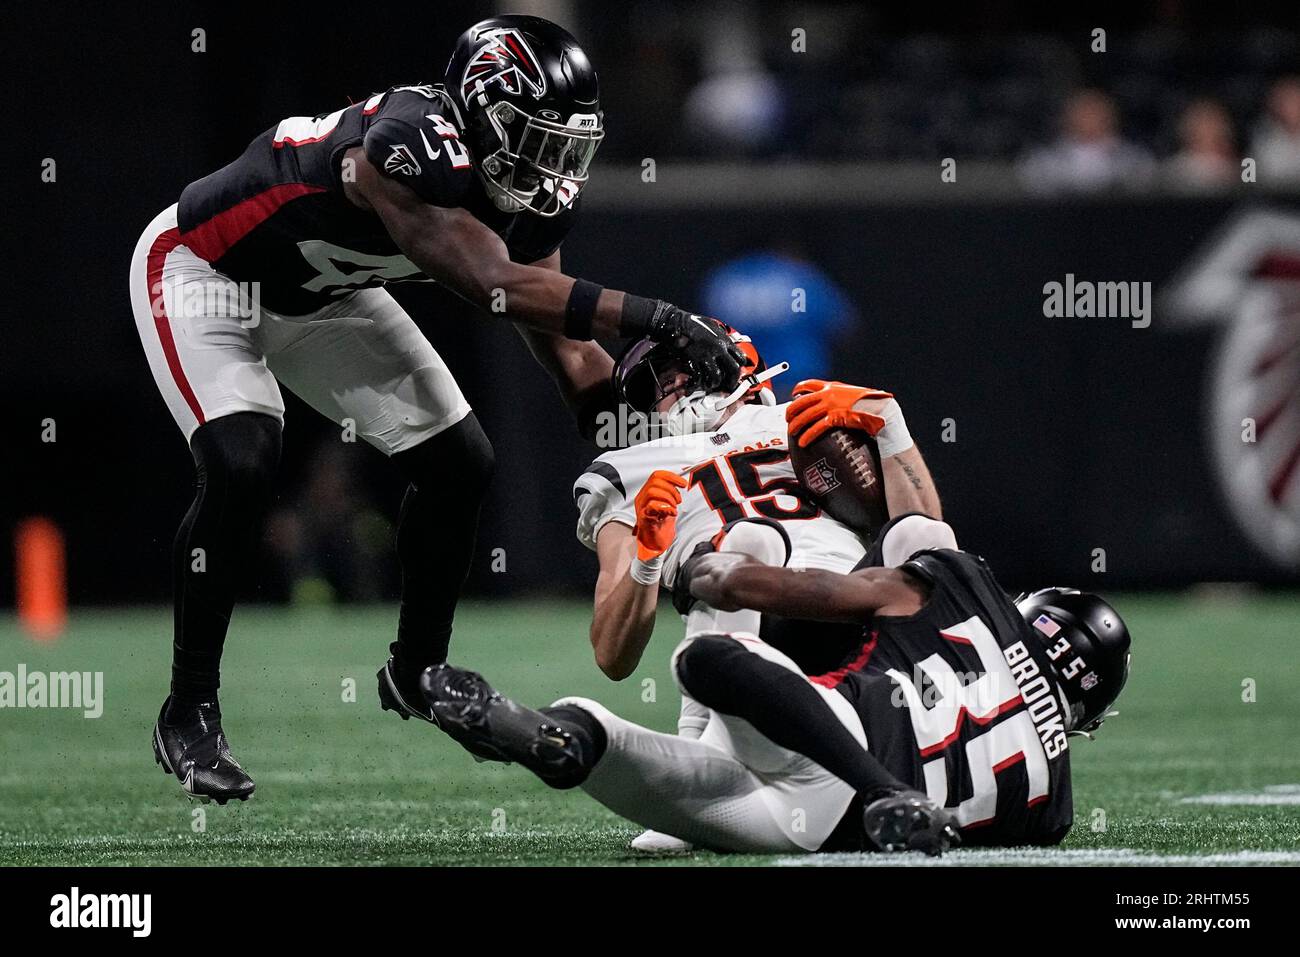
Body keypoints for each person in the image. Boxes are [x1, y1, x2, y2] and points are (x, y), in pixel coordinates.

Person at [132, 14, 745, 804]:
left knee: (461, 463)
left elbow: (560, 342)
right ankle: (188, 706)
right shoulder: (407, 139)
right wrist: (658, 317)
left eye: (568, 141)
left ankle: (418, 670)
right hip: (202, 272)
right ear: (485, 108)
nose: (555, 163)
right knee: (242, 458)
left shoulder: (528, 190)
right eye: (537, 135)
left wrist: (650, 450)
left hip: (325, 295)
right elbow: (492, 285)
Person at [421, 342, 1133, 855]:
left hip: (840, 627)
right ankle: (583, 739)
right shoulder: (626, 473)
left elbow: (920, 541)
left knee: (739, 574)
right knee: (721, 603)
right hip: (825, 671)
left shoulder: (808, 417)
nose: (666, 395)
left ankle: (612, 744)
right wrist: (644, 556)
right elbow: (612, 652)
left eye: (676, 374)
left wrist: (881, 427)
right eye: (653, 386)